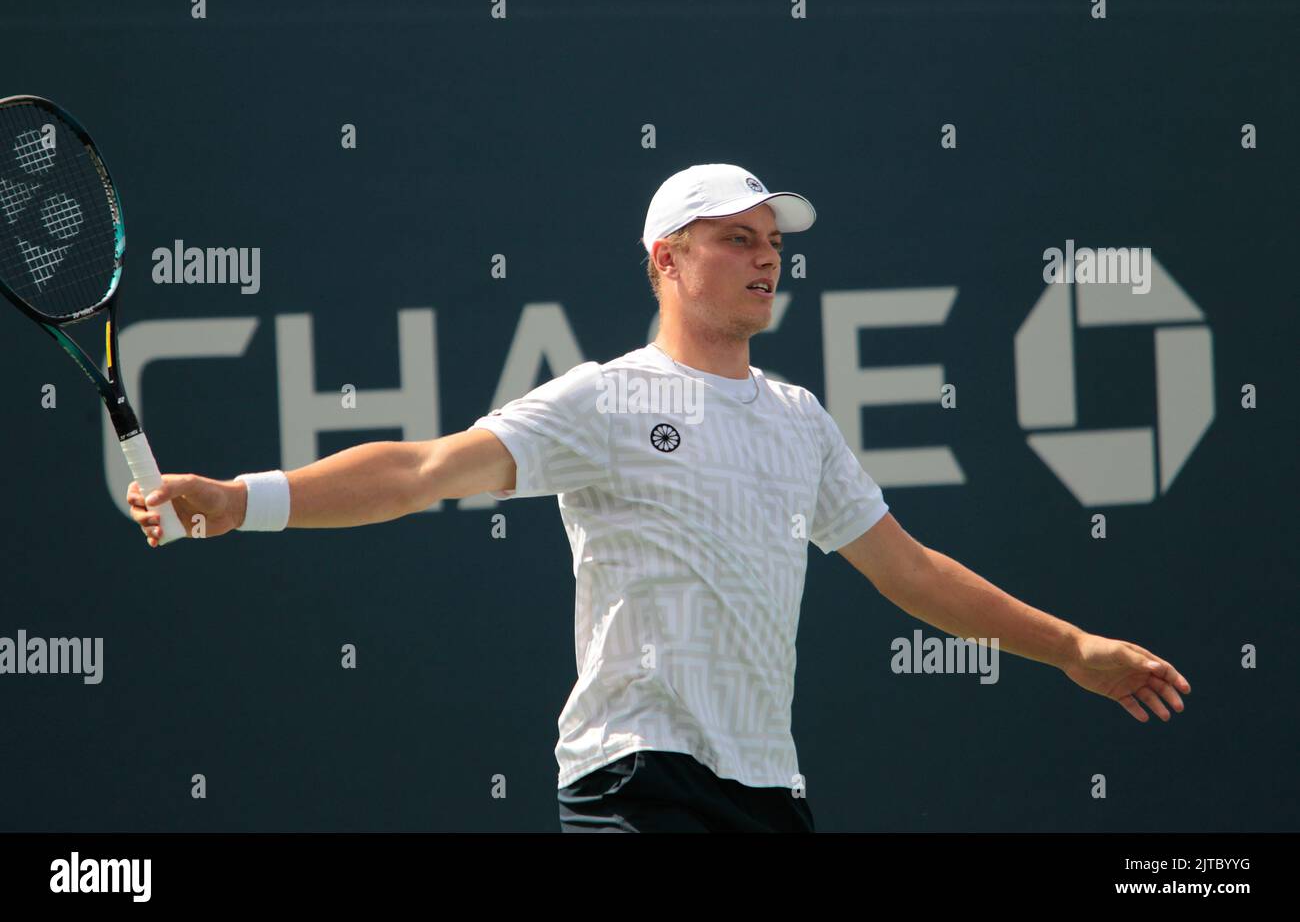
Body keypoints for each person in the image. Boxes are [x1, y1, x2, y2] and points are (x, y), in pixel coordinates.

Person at [126, 163, 1191, 832]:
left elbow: (908, 570)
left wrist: (1069, 647)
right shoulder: (602, 398)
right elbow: (420, 471)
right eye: (737, 238)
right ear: (666, 260)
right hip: (634, 777)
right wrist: (241, 496)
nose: (766, 258)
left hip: (769, 790)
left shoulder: (801, 417)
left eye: (773, 243)